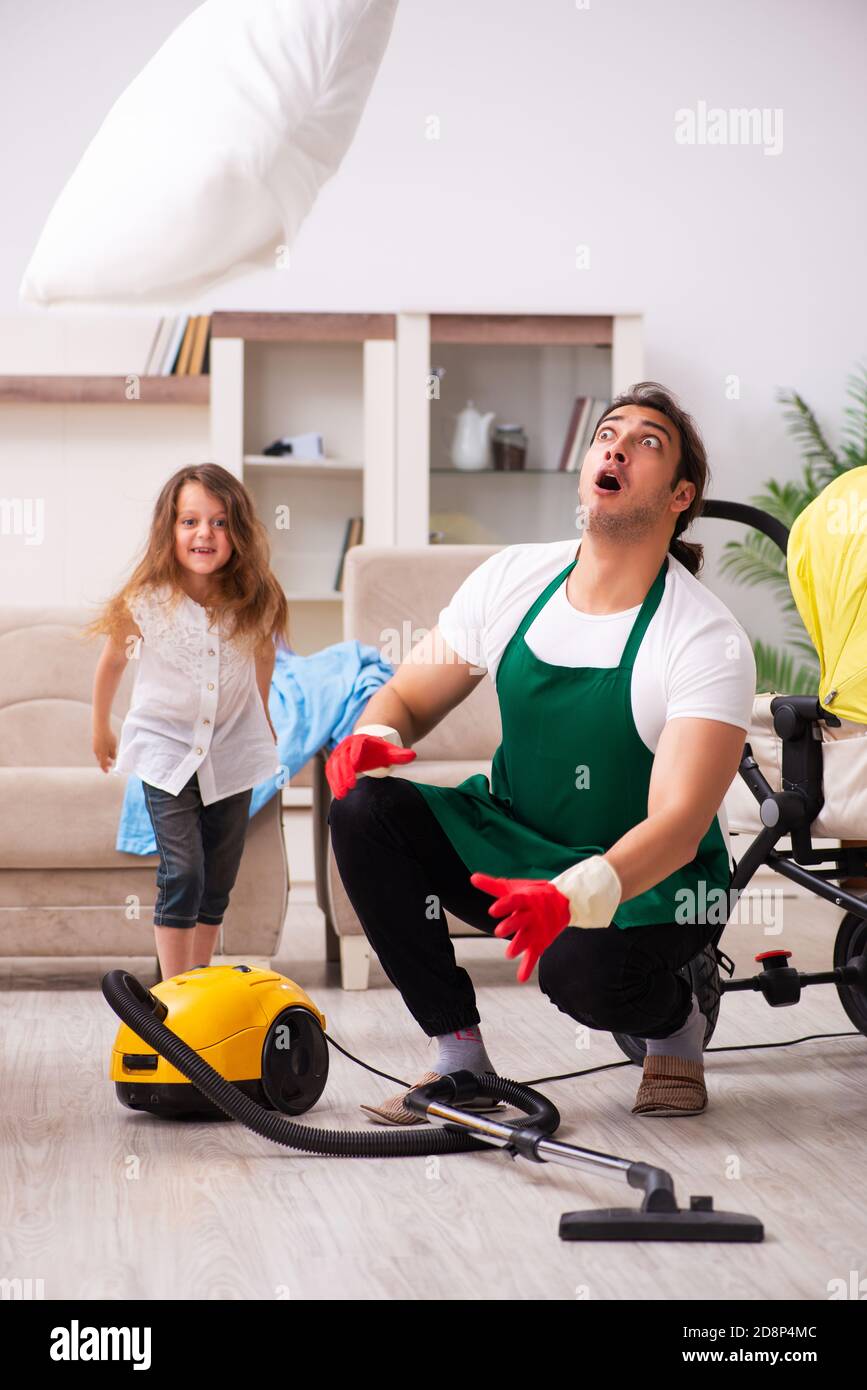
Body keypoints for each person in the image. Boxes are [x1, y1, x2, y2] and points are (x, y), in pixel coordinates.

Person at [327, 382, 756, 1122]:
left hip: (653, 882)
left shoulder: (702, 636)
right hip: (517, 848)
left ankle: (676, 1027)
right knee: (366, 811)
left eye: (647, 441)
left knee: (578, 969)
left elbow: (681, 824)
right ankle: (460, 1061)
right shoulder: (512, 578)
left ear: (681, 495)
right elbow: (406, 700)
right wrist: (374, 737)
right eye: (606, 433)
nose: (616, 445)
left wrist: (571, 897)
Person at [88, 463, 288, 982]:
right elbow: (113, 662)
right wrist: (101, 726)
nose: (205, 534)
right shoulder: (146, 602)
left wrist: (263, 716)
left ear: (238, 531)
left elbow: (263, 657)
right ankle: (174, 997)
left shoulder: (256, 599)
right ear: (169, 530)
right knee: (184, 870)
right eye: (190, 521)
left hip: (233, 750)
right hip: (165, 748)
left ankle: (196, 986)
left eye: (220, 523)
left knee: (217, 879)